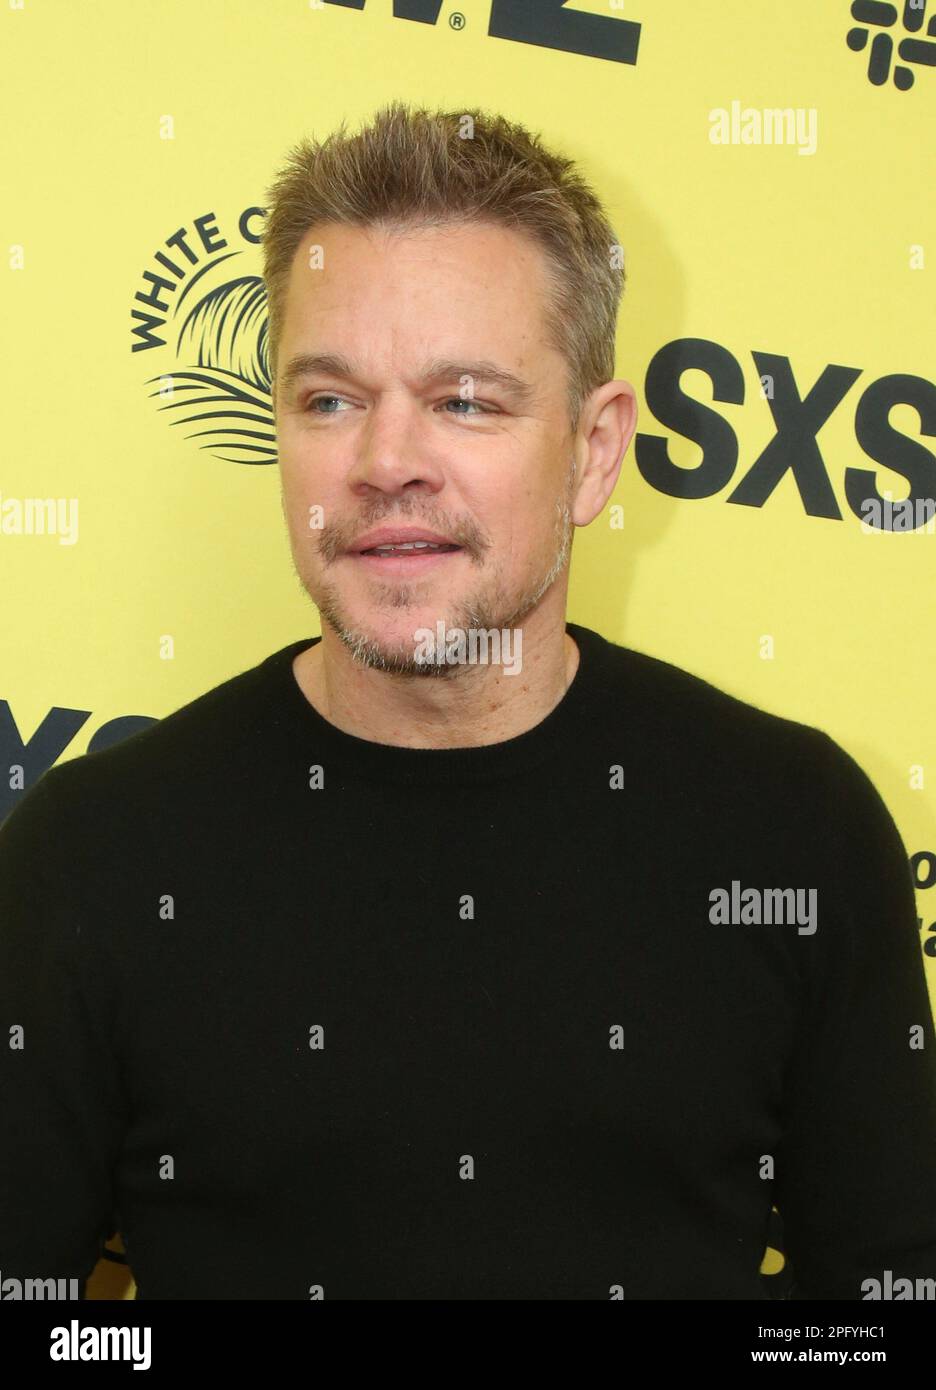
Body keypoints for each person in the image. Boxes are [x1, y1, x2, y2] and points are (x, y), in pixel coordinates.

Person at [2, 101, 934, 1301]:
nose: (386, 461)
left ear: (595, 453)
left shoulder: (792, 826)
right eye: (329, 399)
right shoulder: (93, 855)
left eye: (467, 401)